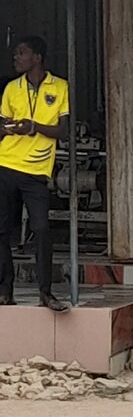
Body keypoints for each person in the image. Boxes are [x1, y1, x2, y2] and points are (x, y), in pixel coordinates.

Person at [0, 36, 70, 310]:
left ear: (37, 57)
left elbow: (62, 130)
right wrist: (8, 128)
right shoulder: (11, 88)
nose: (16, 57)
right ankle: (5, 291)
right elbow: (1, 126)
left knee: (41, 229)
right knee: (2, 229)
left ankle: (45, 293)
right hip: (6, 164)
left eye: (22, 53)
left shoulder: (60, 87)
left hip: (37, 171)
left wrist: (34, 127)